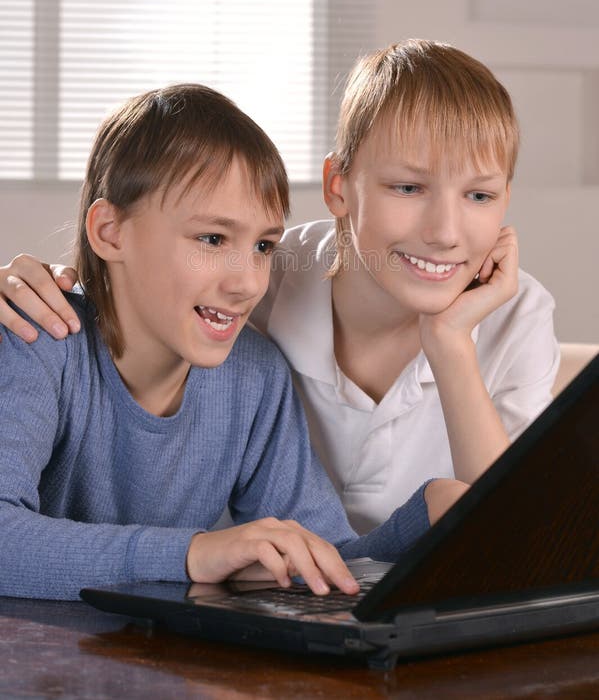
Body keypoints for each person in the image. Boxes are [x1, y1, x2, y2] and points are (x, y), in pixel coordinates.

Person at [0, 40, 558, 536]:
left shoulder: (254, 371)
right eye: (408, 186)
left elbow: (333, 549)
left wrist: (428, 510)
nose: (443, 233)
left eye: (480, 196)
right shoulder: (259, 284)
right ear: (339, 188)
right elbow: (129, 276)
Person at [0, 83, 463, 601]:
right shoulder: (34, 342)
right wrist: (197, 553)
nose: (247, 283)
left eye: (264, 245)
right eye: (213, 239)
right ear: (110, 233)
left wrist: (427, 519)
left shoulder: (255, 376)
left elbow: (319, 558)